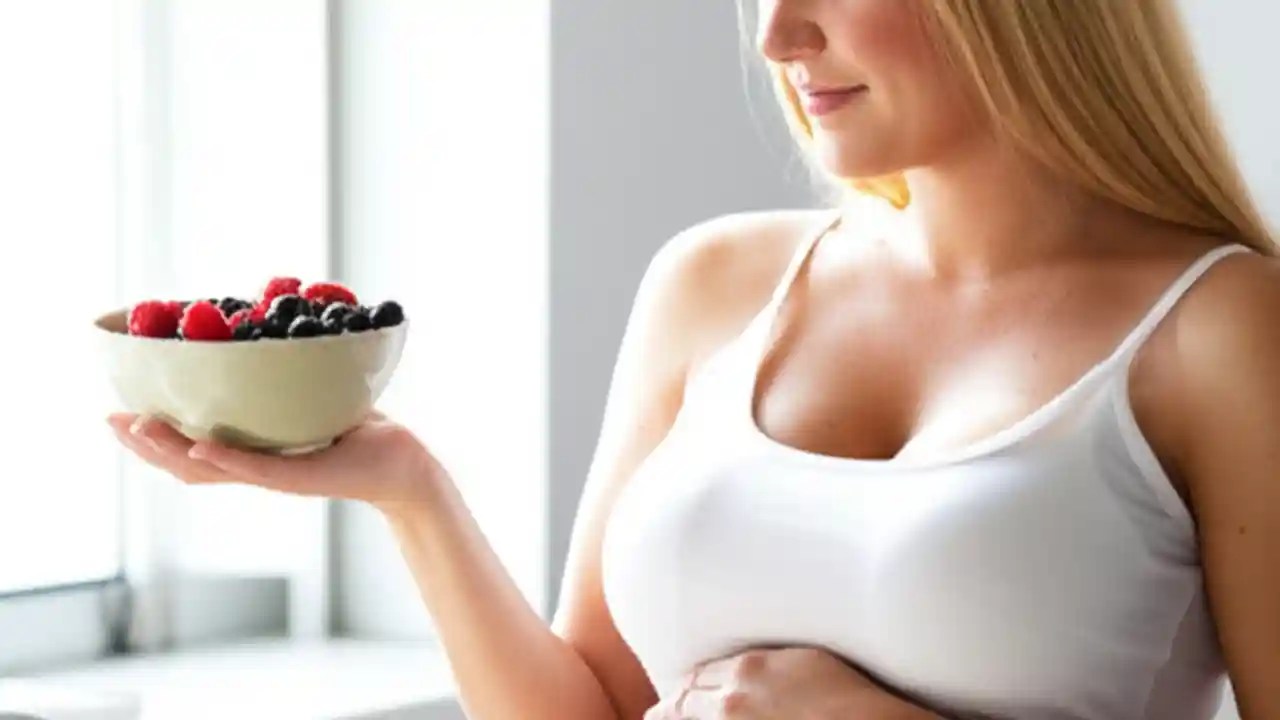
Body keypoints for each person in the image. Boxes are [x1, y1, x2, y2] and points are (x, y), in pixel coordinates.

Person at [108, 1, 1280, 718]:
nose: (776, 34)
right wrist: (407, 491)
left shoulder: (1219, 327)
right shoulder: (712, 284)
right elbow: (590, 712)